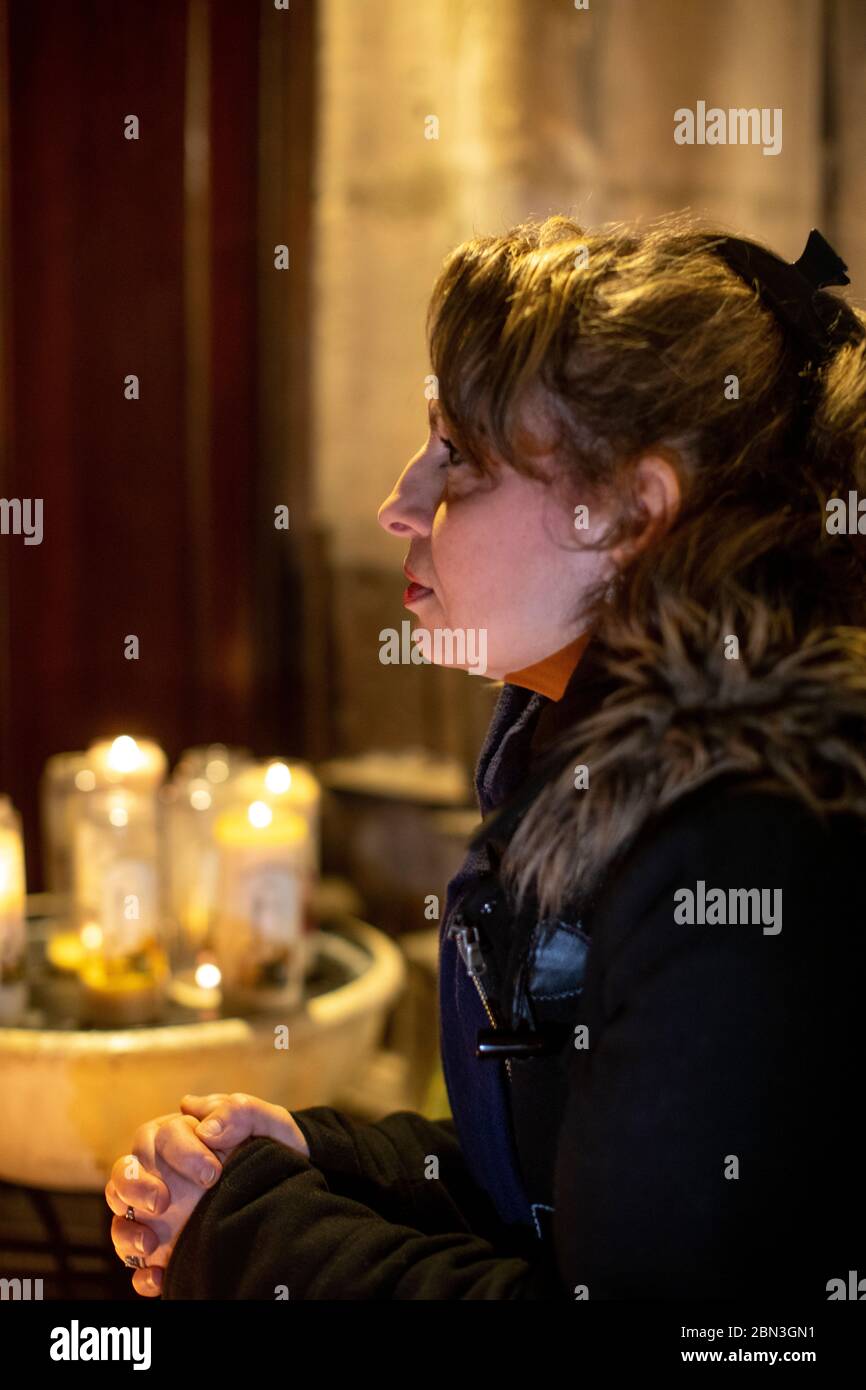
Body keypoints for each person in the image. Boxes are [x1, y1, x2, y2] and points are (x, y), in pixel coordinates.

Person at [107, 212, 866, 1299]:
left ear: (628, 514)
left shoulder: (745, 848)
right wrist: (324, 1158)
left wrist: (246, 1237)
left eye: (456, 457)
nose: (396, 504)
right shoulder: (587, 757)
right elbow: (570, 1183)